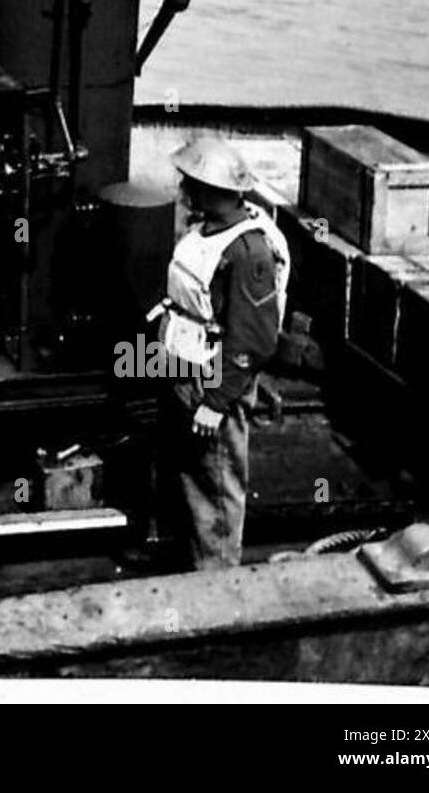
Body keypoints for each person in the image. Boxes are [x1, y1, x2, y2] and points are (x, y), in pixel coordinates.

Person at [154, 134, 290, 570]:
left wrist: (216, 401)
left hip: (212, 381)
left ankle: (216, 585)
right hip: (186, 370)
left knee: (216, 484)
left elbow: (252, 341)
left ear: (212, 189)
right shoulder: (210, 229)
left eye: (189, 182)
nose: (182, 190)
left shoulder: (249, 252)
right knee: (190, 477)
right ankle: (188, 566)